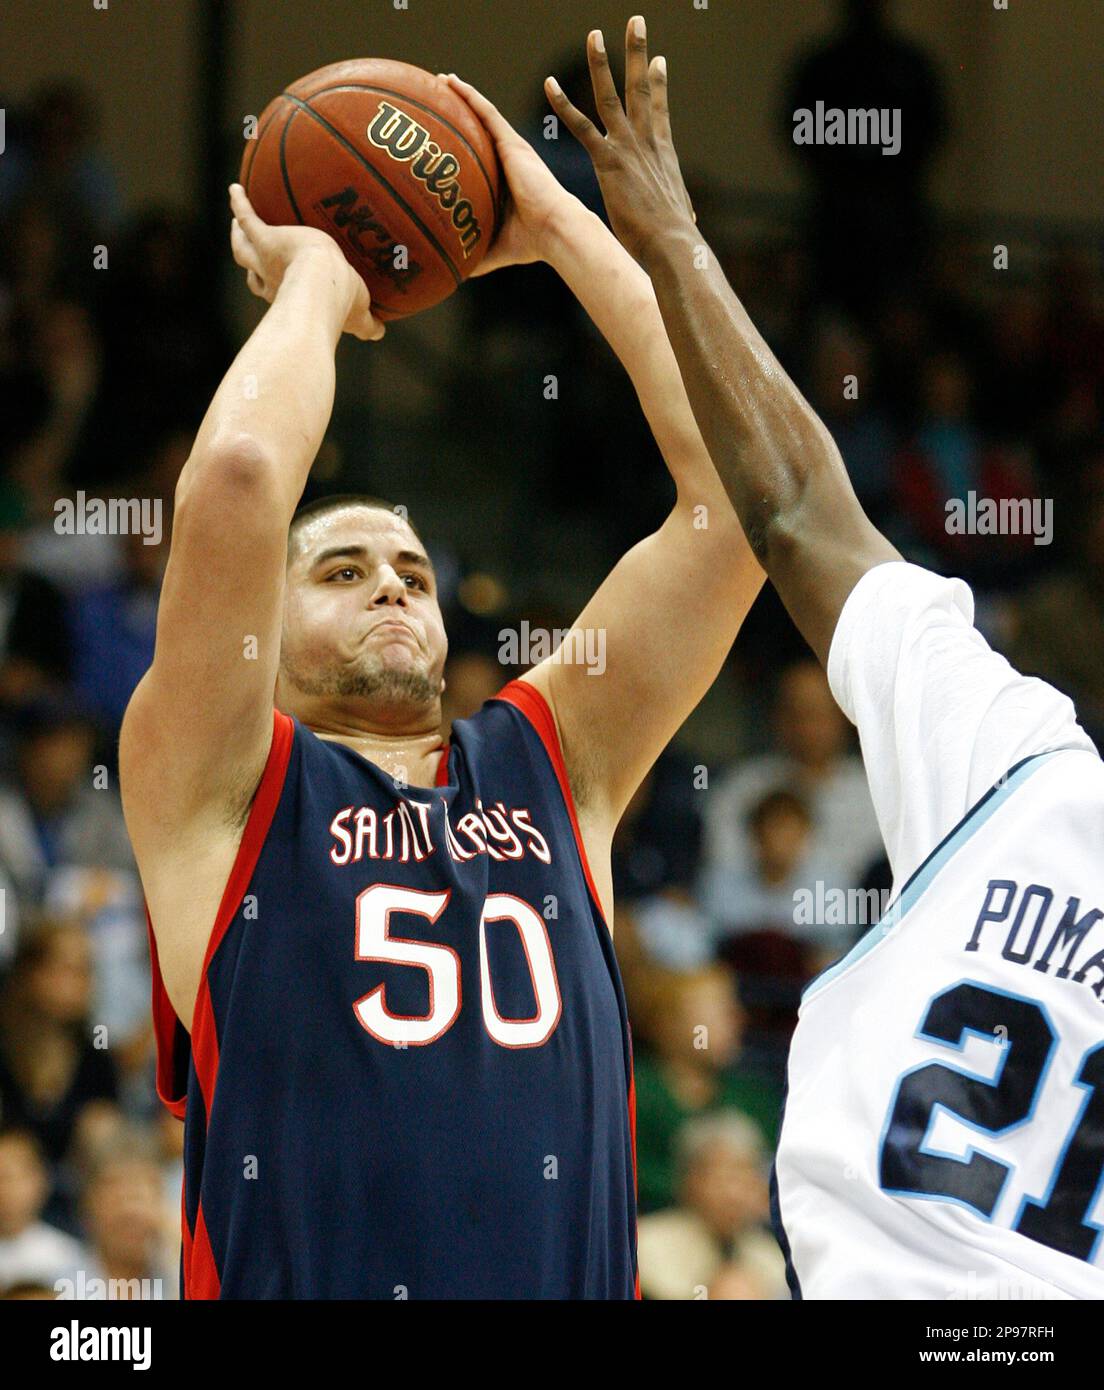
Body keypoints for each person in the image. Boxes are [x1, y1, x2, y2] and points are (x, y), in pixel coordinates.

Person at [118, 72, 763, 1298]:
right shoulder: (217, 779)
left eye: (414, 568)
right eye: (345, 568)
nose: (395, 589)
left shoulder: (550, 758)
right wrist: (318, 276)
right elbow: (246, 475)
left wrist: (563, 228)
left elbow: (738, 502)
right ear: (262, 617)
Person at [550, 16, 1104, 1299]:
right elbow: (804, 513)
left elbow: (802, 512)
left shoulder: (1034, 771)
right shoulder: (1026, 769)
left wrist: (677, 248)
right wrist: (676, 248)